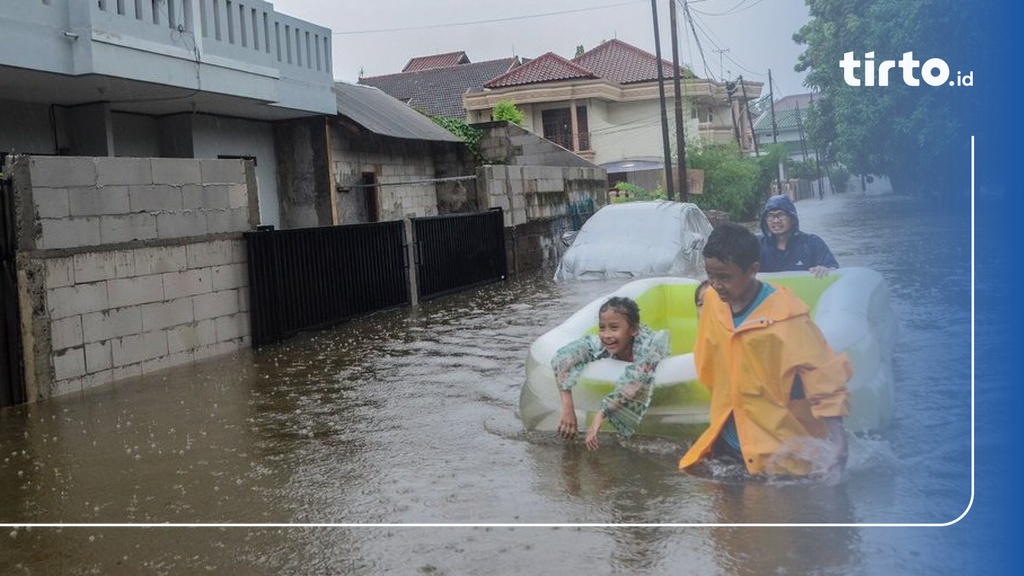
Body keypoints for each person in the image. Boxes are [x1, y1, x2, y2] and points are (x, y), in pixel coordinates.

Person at [679, 222, 852, 482]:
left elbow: (823, 376)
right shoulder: (714, 302)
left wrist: (839, 443)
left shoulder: (788, 318)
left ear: (753, 271)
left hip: (777, 449)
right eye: (710, 275)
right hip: (726, 436)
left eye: (724, 277)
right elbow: (708, 357)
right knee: (724, 521)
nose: (715, 285)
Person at [552, 296, 669, 451]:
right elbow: (562, 358)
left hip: (661, 392)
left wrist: (600, 416)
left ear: (633, 330)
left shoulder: (650, 347)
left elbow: (636, 380)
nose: (606, 335)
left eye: (614, 328)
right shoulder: (602, 344)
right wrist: (568, 408)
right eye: (602, 327)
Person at [758, 195, 839, 278]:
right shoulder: (756, 245)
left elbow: (833, 270)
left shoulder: (813, 243)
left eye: (781, 215)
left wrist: (824, 269)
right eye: (771, 216)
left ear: (792, 219)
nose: (776, 220)